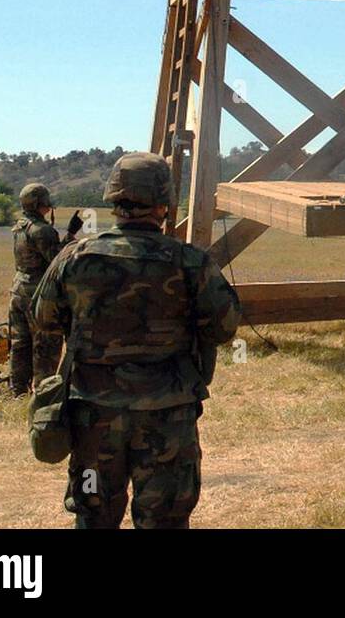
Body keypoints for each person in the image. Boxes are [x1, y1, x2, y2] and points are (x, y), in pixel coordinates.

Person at [33, 152, 241, 529]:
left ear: (113, 199)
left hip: (93, 415)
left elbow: (44, 320)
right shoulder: (190, 261)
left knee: (93, 516)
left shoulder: (75, 257)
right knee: (165, 520)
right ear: (165, 203)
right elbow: (224, 328)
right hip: (167, 416)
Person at [9, 183, 73, 394]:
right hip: (39, 293)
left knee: (20, 342)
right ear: (39, 204)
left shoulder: (20, 226)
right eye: (45, 204)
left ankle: (17, 389)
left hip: (19, 290)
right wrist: (70, 239)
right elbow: (57, 261)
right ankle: (44, 391)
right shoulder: (43, 230)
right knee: (45, 343)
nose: (48, 208)